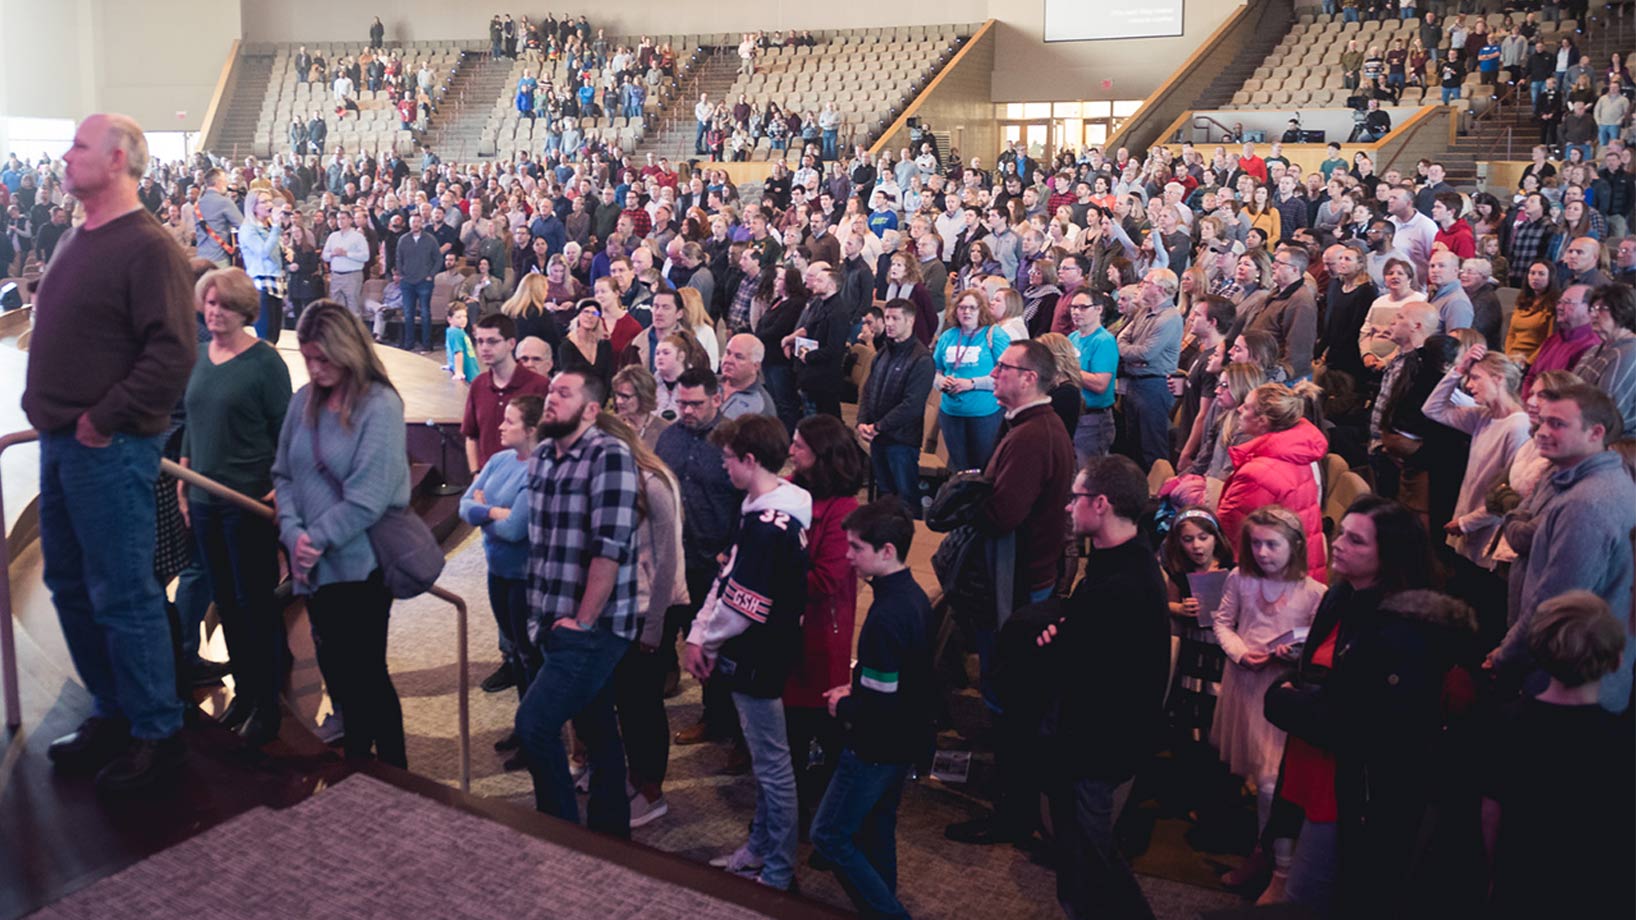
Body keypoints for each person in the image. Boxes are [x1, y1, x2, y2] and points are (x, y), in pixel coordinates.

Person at [25, 114, 198, 793]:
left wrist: (105, 417)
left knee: (124, 593)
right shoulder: (75, 235)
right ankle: (113, 709)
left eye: (77, 147)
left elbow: (172, 352)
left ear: (118, 158)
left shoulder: (148, 247)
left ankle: (158, 728)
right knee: (66, 582)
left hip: (109, 445)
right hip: (64, 442)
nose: (65, 157)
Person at [1265, 496, 1433, 913]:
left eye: (1356, 541)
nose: (1338, 544)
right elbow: (1314, 676)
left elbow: (1354, 721)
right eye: (1341, 533)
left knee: (1314, 898)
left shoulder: (1402, 626)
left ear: (1388, 556)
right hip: (1313, 759)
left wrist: (1284, 701)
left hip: (1352, 781)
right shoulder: (1342, 595)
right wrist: (1297, 692)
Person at [1031, 455, 1170, 920]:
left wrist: (1058, 645)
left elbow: (1087, 670)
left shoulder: (1122, 585)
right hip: (1094, 738)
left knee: (1088, 864)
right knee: (1084, 857)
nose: (1069, 507)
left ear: (1102, 504)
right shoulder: (1123, 563)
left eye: (1076, 498)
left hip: (1097, 745)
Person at [273, 300, 411, 768]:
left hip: (361, 566)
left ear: (347, 350)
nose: (314, 368)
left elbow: (369, 497)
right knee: (337, 672)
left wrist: (313, 540)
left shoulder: (381, 405)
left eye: (323, 359)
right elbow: (284, 474)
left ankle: (394, 773)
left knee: (368, 675)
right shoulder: (302, 400)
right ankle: (357, 768)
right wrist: (293, 532)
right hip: (313, 565)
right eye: (308, 358)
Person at [686, 414, 811, 891]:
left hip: (759, 654)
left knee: (773, 766)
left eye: (728, 459)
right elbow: (732, 578)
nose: (723, 467)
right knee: (767, 762)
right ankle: (760, 847)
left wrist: (705, 639)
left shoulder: (766, 526)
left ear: (751, 460)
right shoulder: (779, 502)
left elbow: (742, 604)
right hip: (764, 648)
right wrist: (701, 630)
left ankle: (777, 870)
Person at [514, 367, 641, 836]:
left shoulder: (610, 456)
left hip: (595, 626)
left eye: (562, 394)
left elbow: (609, 550)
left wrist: (583, 622)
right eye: (550, 390)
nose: (550, 399)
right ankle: (612, 832)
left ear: (590, 410)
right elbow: (543, 543)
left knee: (533, 725)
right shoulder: (545, 453)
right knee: (596, 724)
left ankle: (560, 832)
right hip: (552, 618)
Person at [178, 268, 292, 749]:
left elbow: (286, 432)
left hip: (245, 502)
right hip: (202, 498)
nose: (213, 311)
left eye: (223, 304)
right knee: (225, 604)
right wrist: (184, 472)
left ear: (244, 309)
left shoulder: (265, 363)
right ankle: (245, 697)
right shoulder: (200, 356)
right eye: (208, 302)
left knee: (255, 606)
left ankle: (267, 705)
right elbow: (193, 419)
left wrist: (279, 483)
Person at [811, 497, 935, 920]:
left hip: (874, 748)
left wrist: (843, 704)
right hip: (904, 743)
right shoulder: (913, 597)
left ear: (887, 551)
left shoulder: (884, 617)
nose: (848, 556)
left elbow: (877, 707)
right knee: (877, 826)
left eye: (857, 548)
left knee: (828, 836)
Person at [1476, 591, 1635, 920]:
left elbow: (1490, 816)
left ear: (1539, 650)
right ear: (1618, 659)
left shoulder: (1508, 726)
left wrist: (1491, 876)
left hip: (1521, 884)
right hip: (1601, 893)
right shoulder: (1621, 740)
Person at [1491, 383, 1636, 712]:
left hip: (1572, 685)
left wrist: (1506, 653)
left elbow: (1554, 602)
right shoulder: (1579, 481)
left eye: (1557, 424)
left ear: (1595, 432)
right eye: (1542, 422)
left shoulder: (1588, 503)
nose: (1541, 432)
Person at [1210, 506, 1325, 899]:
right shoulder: (1239, 580)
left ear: (1294, 546)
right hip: (1247, 686)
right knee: (1263, 781)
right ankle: (1267, 853)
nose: (1262, 552)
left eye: (1271, 544)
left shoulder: (1314, 593)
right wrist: (1242, 653)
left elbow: (1318, 644)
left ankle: (1280, 866)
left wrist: (1295, 655)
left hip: (1283, 694)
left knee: (1273, 785)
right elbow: (1223, 622)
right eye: (1255, 544)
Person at [595, 412, 686, 829]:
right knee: (627, 704)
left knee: (643, 706)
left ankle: (652, 791)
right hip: (624, 609)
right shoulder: (618, 479)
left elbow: (667, 564)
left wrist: (652, 631)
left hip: (653, 611)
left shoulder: (654, 483)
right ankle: (633, 778)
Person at [658, 367, 747, 754]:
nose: (687, 411)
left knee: (711, 646)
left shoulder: (735, 442)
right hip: (670, 557)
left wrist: (733, 549)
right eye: (681, 403)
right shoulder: (668, 438)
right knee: (663, 633)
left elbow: (748, 501)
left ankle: (716, 718)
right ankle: (665, 682)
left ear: (717, 398)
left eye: (695, 404)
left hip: (712, 560)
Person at [784, 415, 863, 833]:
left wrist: (770, 574)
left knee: (818, 728)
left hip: (819, 633)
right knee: (790, 732)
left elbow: (827, 579)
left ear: (822, 457)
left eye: (799, 446)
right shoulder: (792, 490)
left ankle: (828, 821)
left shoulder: (843, 509)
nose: (791, 452)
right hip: (787, 629)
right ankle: (790, 812)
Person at [1421, 346, 1531, 641]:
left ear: (1498, 379)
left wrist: (1469, 522)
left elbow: (1511, 492)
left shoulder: (1518, 425)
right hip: (1466, 524)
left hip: (1486, 534)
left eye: (1475, 378)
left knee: (1480, 614)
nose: (1468, 386)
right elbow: (1432, 409)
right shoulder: (1483, 416)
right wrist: (1457, 369)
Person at [459, 394, 542, 771]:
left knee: (530, 659)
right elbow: (464, 505)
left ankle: (536, 736)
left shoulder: (538, 471)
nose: (500, 426)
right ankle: (524, 726)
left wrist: (483, 509)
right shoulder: (498, 460)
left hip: (525, 579)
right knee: (515, 654)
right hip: (498, 573)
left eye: (510, 422)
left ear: (532, 430)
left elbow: (515, 528)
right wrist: (493, 510)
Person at [1218, 384, 1329, 581]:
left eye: (1246, 406)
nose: (1239, 409)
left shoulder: (1257, 475)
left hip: (1274, 582)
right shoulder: (1298, 455)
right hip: (1301, 571)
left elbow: (1230, 533)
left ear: (1262, 421)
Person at [857, 298, 935, 515]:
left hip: (901, 441)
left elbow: (912, 405)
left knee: (905, 498)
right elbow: (868, 389)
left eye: (895, 318)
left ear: (910, 321)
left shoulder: (922, 359)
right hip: (879, 437)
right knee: (885, 496)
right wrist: (863, 421)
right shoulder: (884, 352)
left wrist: (879, 426)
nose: (889, 323)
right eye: (887, 318)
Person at [932, 289, 1011, 473]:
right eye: (962, 308)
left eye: (972, 308)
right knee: (959, 470)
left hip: (984, 413)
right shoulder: (948, 336)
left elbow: (1006, 375)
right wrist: (940, 382)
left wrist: (972, 383)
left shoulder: (994, 335)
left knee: (983, 469)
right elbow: (934, 370)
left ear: (981, 310)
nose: (966, 312)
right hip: (951, 413)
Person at [1118, 268, 1185, 471]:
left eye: (1146, 283)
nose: (1141, 286)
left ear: (1159, 288)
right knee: (1134, 443)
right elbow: (1120, 338)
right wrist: (1130, 353)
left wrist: (1128, 352)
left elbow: (1146, 353)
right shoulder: (1143, 312)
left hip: (1154, 386)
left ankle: (1155, 494)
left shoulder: (1170, 317)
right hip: (1135, 383)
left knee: (1152, 446)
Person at [1064, 290, 1118, 464]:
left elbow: (1100, 384)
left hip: (1093, 421)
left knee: (1089, 474)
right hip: (1075, 415)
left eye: (1083, 307)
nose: (1076, 312)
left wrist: (1068, 369)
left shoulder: (1104, 340)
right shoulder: (1073, 337)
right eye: (1073, 307)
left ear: (1099, 309)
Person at [1574, 282, 1636, 430]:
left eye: (1602, 309)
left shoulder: (1629, 353)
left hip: (1609, 441)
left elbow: (1610, 413)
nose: (1594, 314)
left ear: (1622, 310)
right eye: (1593, 308)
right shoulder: (1595, 349)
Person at [1521, 283, 1600, 398]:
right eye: (1560, 302)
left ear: (1589, 310)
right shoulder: (1554, 338)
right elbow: (1531, 377)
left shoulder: (1592, 347)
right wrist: (1527, 401)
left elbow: (1571, 394)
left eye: (1567, 303)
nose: (1559, 307)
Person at [238, 189, 288, 343]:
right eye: (264, 201)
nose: (269, 205)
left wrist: (286, 251)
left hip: (275, 280)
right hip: (262, 283)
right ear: (253, 206)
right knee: (265, 337)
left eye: (270, 200)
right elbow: (263, 251)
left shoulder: (268, 227)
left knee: (274, 336)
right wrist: (275, 228)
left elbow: (274, 251)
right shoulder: (248, 229)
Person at [1506, 260, 1558, 363]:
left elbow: (1549, 341)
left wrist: (1528, 362)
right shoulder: (1522, 300)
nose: (1535, 277)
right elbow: (1511, 334)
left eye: (1541, 274)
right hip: (1512, 358)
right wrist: (1508, 356)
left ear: (1550, 278)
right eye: (1532, 273)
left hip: (1533, 361)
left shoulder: (1553, 306)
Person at [444, 302, 479, 383]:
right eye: (458, 317)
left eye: (465, 316)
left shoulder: (456, 332)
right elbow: (456, 351)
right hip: (470, 371)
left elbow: (458, 352)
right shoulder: (457, 332)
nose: (463, 319)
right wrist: (454, 367)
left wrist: (458, 371)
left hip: (469, 371)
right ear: (450, 319)